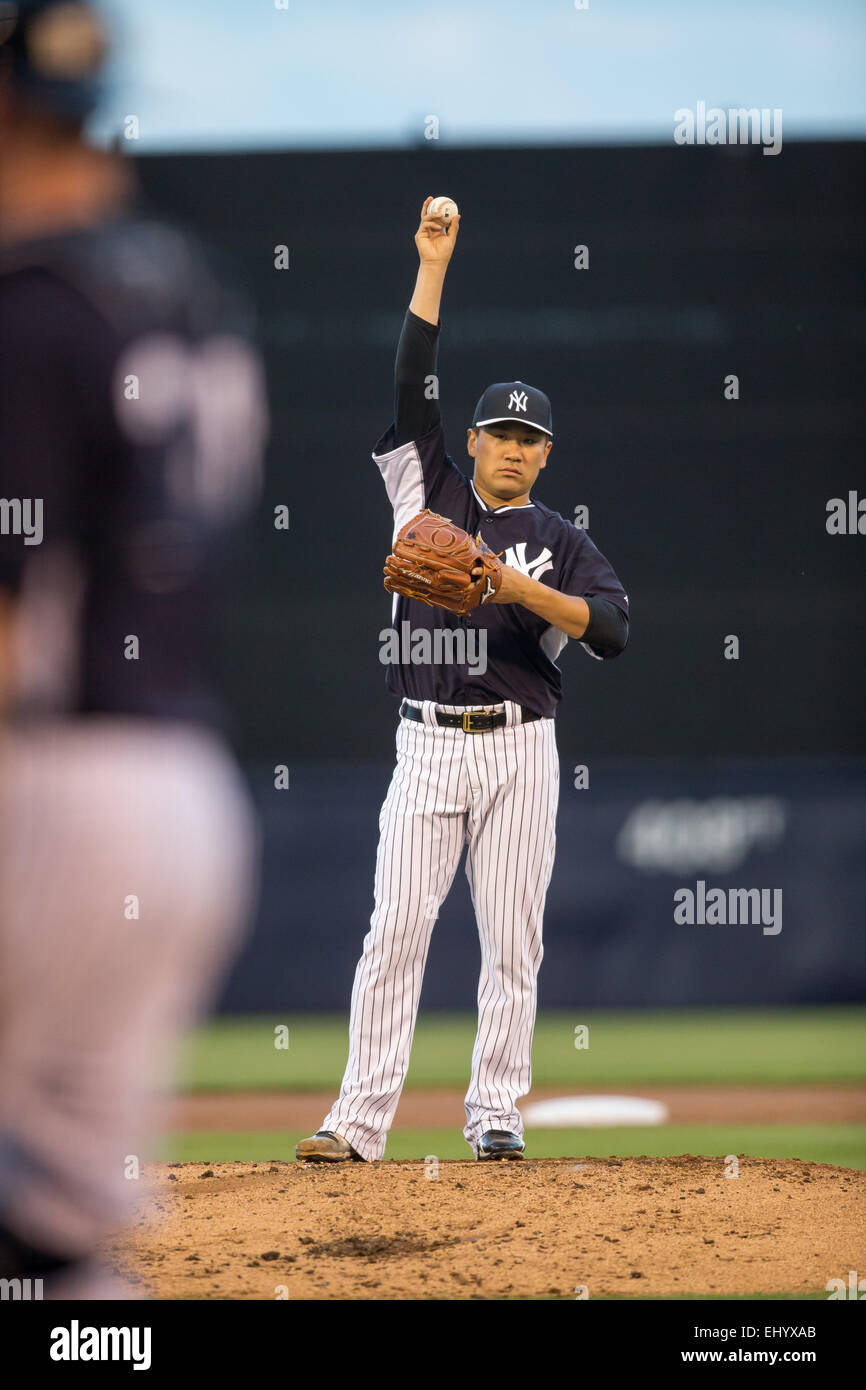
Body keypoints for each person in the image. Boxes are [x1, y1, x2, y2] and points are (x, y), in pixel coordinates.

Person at [0, 0, 267, 1295]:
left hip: (44, 791)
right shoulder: (181, 296)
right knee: (56, 1238)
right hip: (175, 794)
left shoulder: (30, 314)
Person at [297, 196, 629, 1164]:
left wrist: (512, 584)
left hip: (522, 746)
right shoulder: (424, 487)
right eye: (498, 431)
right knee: (393, 930)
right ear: (473, 440)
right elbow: (411, 377)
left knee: (511, 944)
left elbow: (609, 629)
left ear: (546, 454)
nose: (513, 446)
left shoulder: (564, 542)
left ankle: (495, 1114)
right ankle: (356, 1123)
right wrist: (431, 262)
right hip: (428, 742)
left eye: (530, 438)